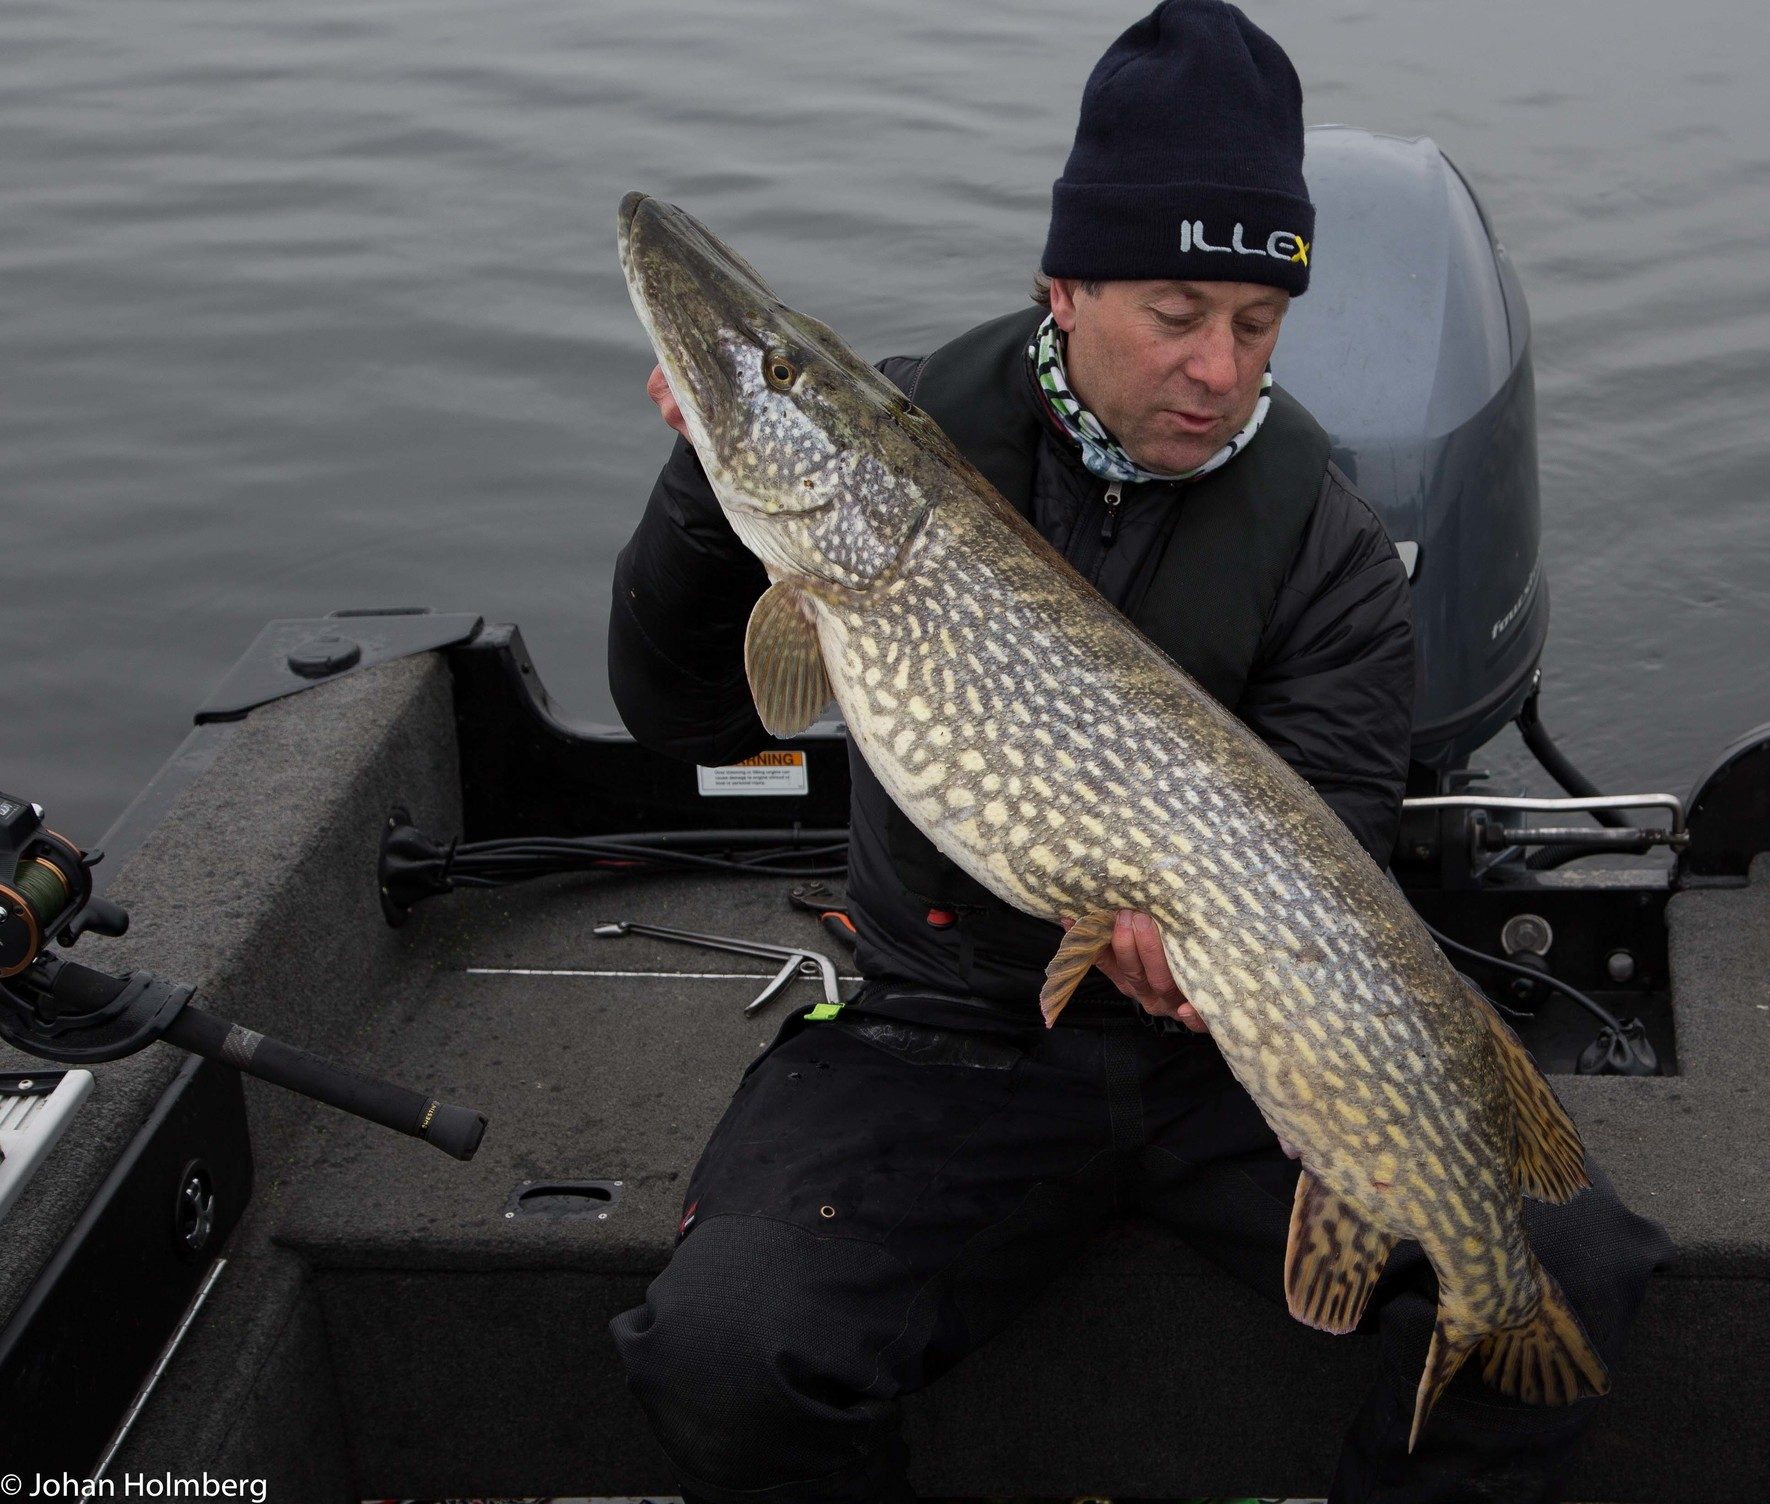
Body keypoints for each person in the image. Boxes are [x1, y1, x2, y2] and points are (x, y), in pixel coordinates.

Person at [604, 2, 1672, 1499]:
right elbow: (687, 720)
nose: (1221, 372)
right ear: (1066, 282)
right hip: (948, 1040)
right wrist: (706, 480)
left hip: (1229, 1066)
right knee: (720, 1348)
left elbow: (1330, 855)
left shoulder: (1333, 556)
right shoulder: (901, 443)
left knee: (1574, 1266)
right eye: (1177, 313)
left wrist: (1208, 976)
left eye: (1258, 325)